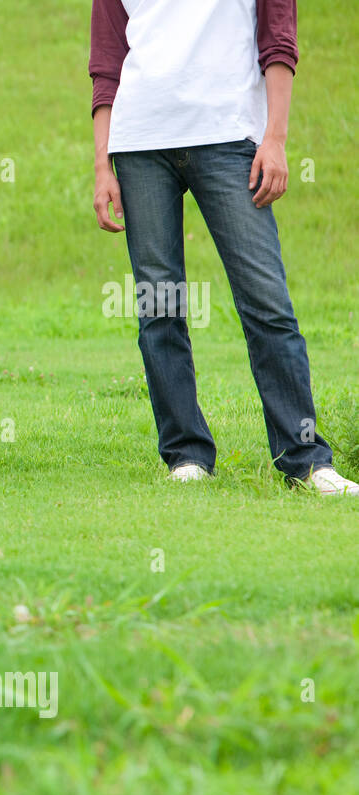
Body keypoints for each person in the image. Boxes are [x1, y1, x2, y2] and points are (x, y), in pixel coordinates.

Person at [90, 0, 357, 494]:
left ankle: (306, 461)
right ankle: (186, 455)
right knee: (159, 308)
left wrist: (275, 137)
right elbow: (107, 62)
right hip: (139, 141)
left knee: (266, 302)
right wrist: (102, 163)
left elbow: (278, 37)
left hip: (229, 135)